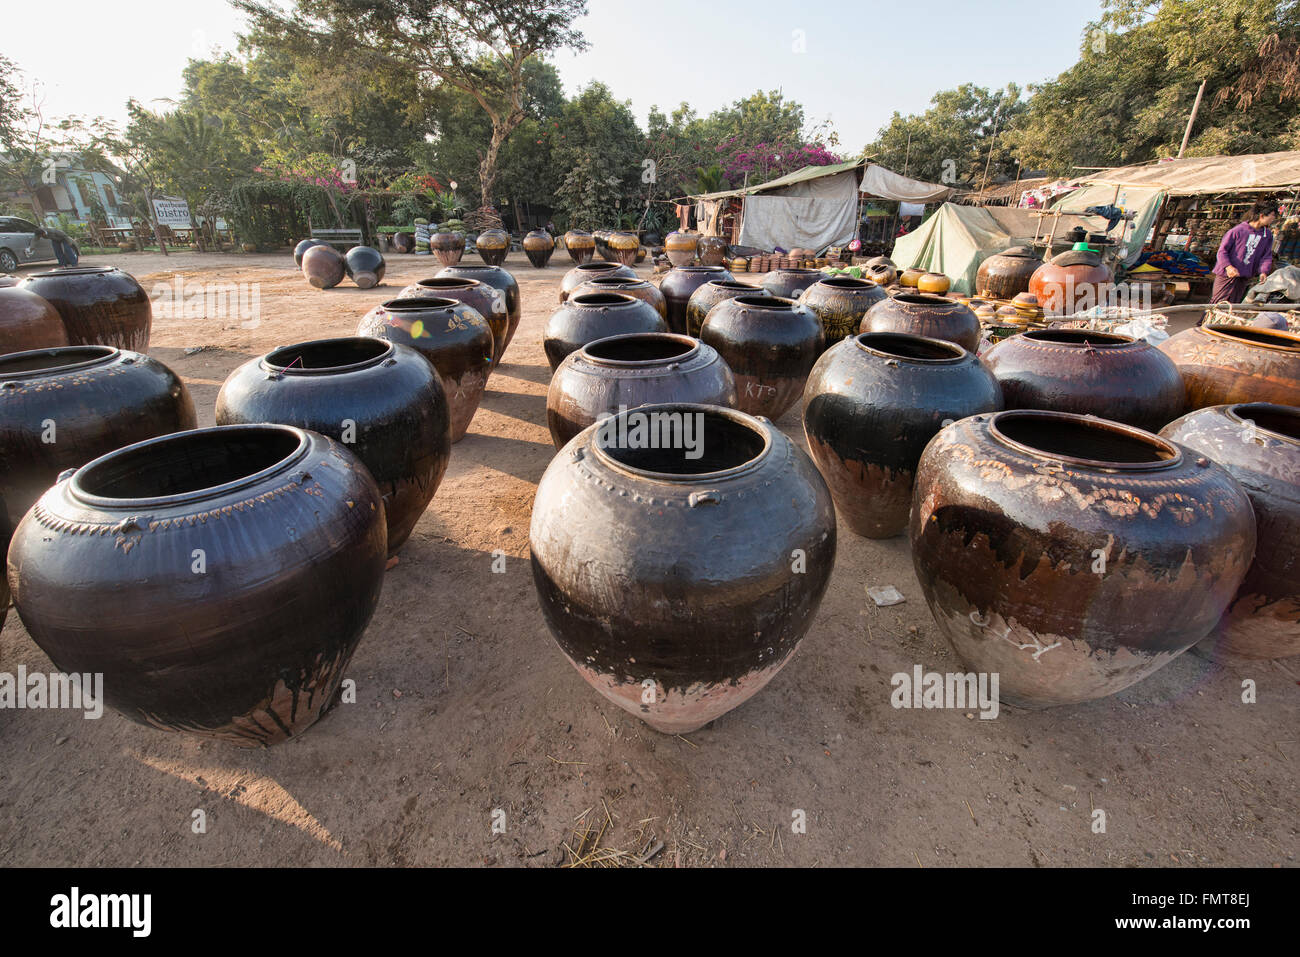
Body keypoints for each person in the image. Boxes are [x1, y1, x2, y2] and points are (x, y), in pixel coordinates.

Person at [1211, 200, 1278, 303]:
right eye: (1272, 215)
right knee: (1218, 302)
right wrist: (1228, 267)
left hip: (1244, 275)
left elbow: (1266, 256)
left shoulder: (1267, 235)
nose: (1273, 218)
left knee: (1234, 304)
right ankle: (1205, 320)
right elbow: (1222, 251)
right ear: (1262, 215)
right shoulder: (1238, 231)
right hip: (1226, 274)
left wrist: (1263, 271)